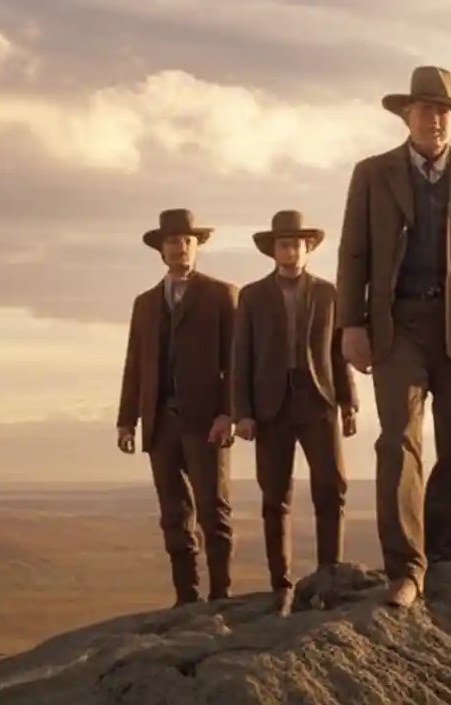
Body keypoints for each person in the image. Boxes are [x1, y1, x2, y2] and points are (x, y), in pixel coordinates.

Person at [336, 65, 451, 608]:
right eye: (424, 110)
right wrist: (351, 323)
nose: (434, 119)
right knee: (400, 443)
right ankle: (405, 569)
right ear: (406, 116)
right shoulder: (372, 173)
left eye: (444, 112)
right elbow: (353, 251)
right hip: (399, 326)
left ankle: (444, 556)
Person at [231, 210, 359, 616]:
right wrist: (243, 413)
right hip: (270, 407)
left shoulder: (328, 293)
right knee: (275, 495)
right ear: (273, 250)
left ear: (308, 248)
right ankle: (280, 585)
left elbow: (341, 352)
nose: (289, 249)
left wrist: (348, 401)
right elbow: (241, 357)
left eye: (296, 243)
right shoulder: (252, 296)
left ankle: (330, 575)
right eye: (282, 243)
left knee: (331, 487)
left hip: (318, 400)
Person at [116, 209, 238, 606]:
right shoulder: (145, 303)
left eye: (187, 240)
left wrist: (228, 412)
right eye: (172, 241)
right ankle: (186, 598)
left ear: (197, 246)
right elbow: (135, 362)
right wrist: (126, 420)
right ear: (161, 250)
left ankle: (220, 595)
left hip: (207, 422)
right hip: (159, 422)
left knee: (213, 511)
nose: (180, 247)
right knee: (173, 513)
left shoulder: (221, 295)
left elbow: (235, 362)